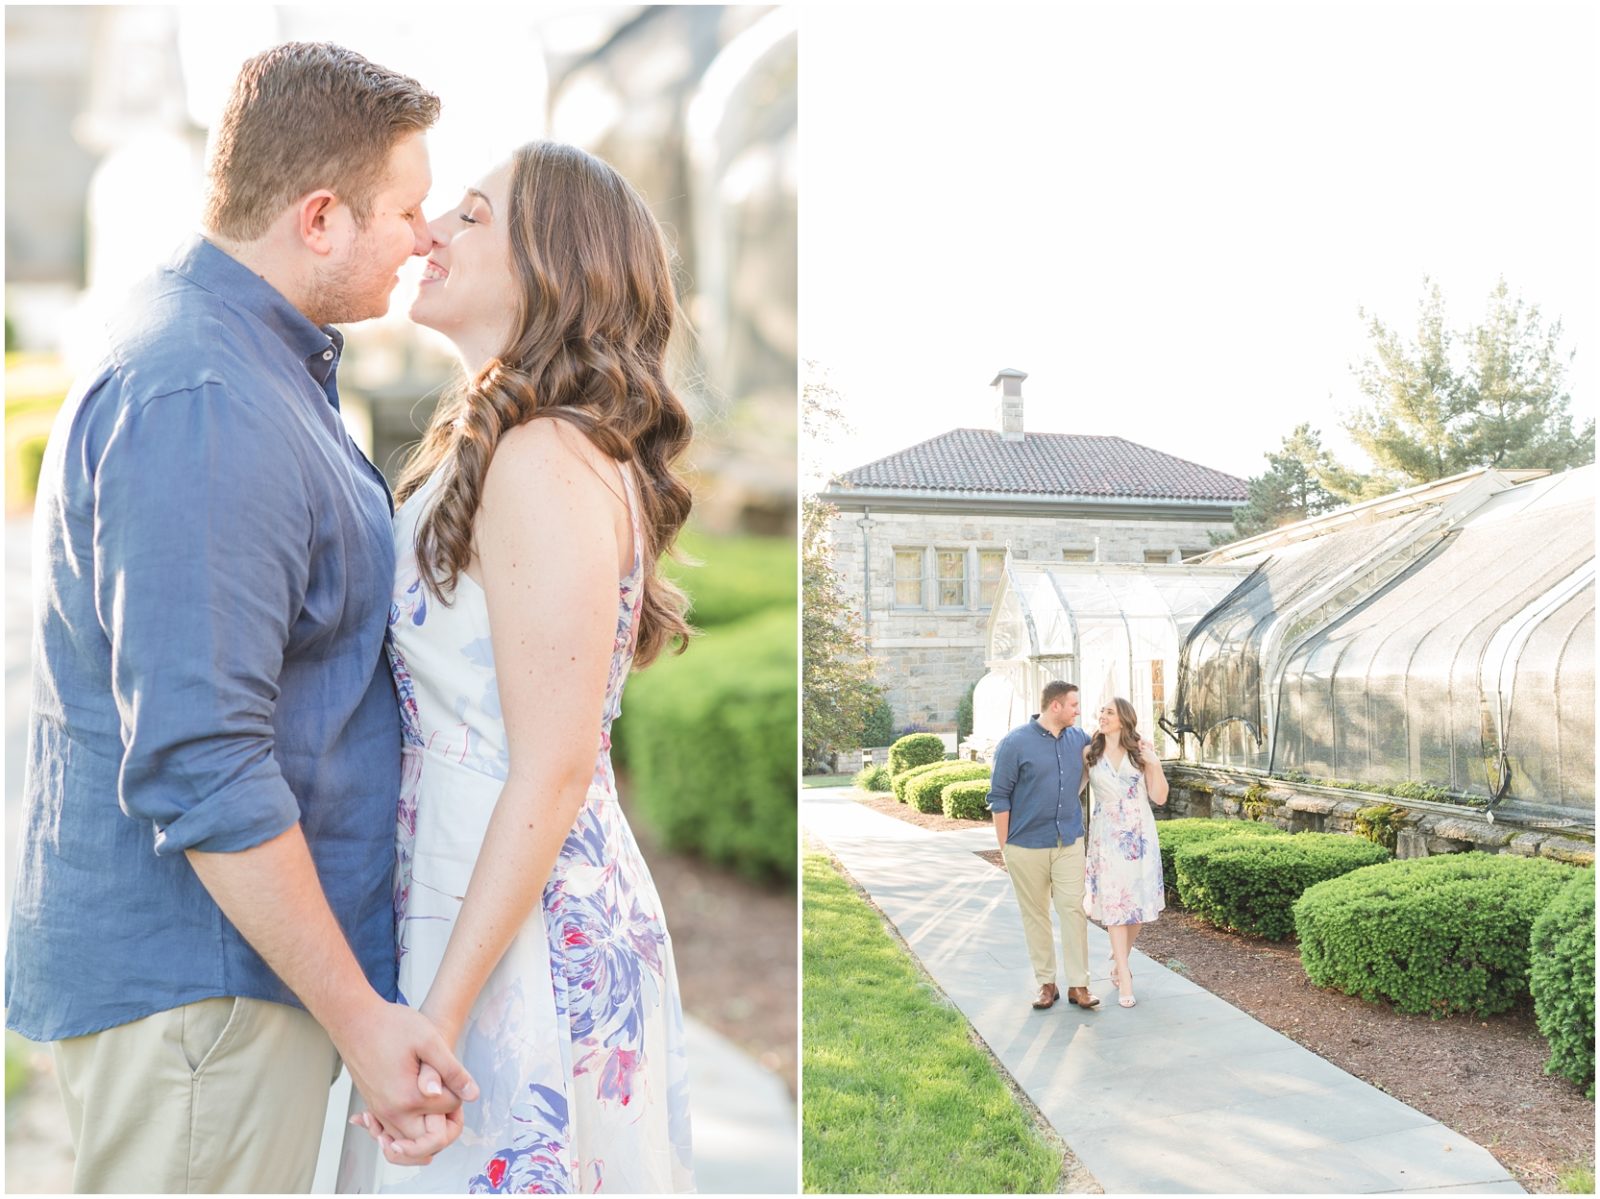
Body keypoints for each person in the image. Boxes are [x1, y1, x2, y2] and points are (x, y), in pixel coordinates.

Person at [5, 42, 477, 1193]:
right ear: (319, 217)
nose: (425, 236)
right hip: (204, 1001)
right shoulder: (206, 398)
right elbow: (203, 757)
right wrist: (361, 1018)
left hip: (230, 991)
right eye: (405, 209)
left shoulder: (245, 359)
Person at [337, 141, 696, 1194]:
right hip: (470, 880)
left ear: (553, 264)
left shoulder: (543, 455)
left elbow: (554, 764)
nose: (431, 231)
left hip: (514, 925)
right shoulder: (508, 442)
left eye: (472, 215)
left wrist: (440, 1017)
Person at [986, 681, 1100, 1011]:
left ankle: (1079, 985)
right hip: (1025, 846)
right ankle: (1046, 984)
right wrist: (1006, 848)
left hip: (1069, 841)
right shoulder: (1014, 743)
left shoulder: (1079, 739)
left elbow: (1106, 750)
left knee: (1073, 910)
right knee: (1035, 915)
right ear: (1055, 706)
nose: (1078, 711)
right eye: (1073, 705)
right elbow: (999, 797)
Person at [1082, 697, 1169, 1008]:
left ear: (1124, 718)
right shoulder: (1090, 753)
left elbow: (1160, 797)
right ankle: (1124, 974)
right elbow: (1073, 789)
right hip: (1106, 836)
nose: (1102, 716)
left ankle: (1120, 958)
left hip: (1140, 834)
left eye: (1109, 712)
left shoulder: (1140, 752)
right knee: (1116, 903)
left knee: (1138, 904)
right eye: (1101, 711)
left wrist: (1154, 763)